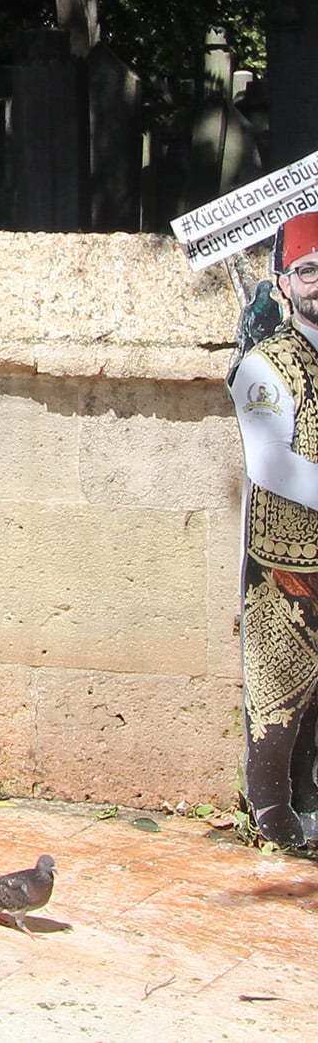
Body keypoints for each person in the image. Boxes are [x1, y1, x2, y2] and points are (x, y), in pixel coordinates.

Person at [229, 211, 318, 846]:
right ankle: (271, 810)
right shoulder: (266, 366)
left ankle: (310, 795)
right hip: (286, 557)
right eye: (309, 271)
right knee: (281, 686)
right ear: (283, 283)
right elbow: (272, 465)